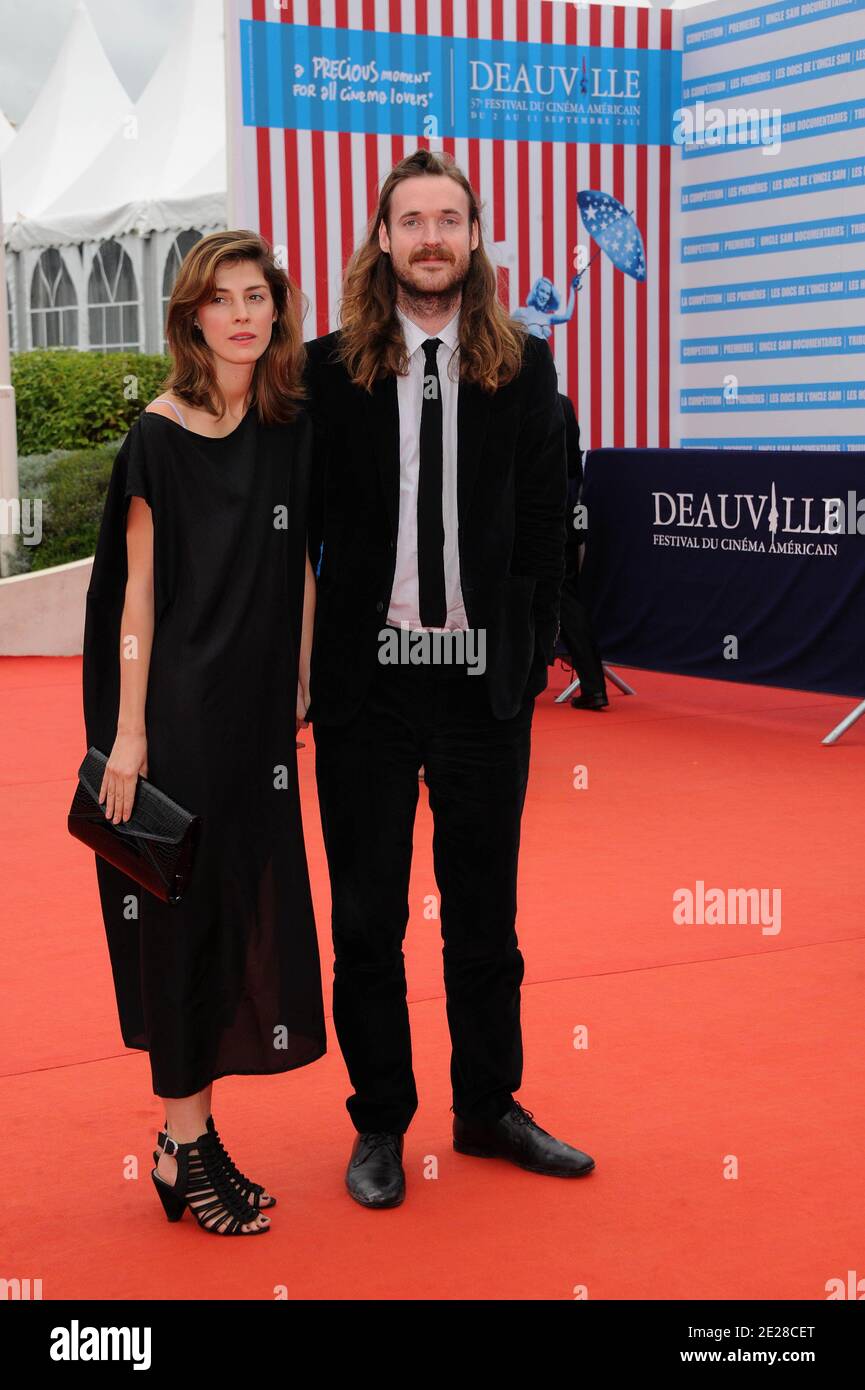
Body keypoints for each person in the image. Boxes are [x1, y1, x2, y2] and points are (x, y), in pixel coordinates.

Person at [303, 149, 595, 1209]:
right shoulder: (328, 372)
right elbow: (296, 525)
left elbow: (541, 529)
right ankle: (380, 1120)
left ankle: (487, 1108)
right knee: (368, 919)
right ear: (381, 239)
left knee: (485, 916)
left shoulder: (523, 366)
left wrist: (519, 658)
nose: (430, 237)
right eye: (411, 219)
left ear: (473, 238)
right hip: (368, 689)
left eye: (449, 219)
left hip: (479, 689)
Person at [82, 231, 327, 1236]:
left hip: (258, 716)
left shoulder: (287, 421)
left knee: (234, 911)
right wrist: (129, 736)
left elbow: (302, 562)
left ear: (276, 310)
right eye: (221, 298)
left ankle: (192, 1139)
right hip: (174, 714)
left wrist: (304, 678)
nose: (242, 313)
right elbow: (136, 599)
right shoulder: (158, 431)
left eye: (257, 296)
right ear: (191, 317)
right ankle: (183, 1146)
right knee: (178, 921)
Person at [557, 392, 609, 710]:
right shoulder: (562, 404)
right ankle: (594, 686)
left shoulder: (507, 400)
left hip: (523, 520)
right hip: (563, 516)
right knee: (567, 601)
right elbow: (575, 467)